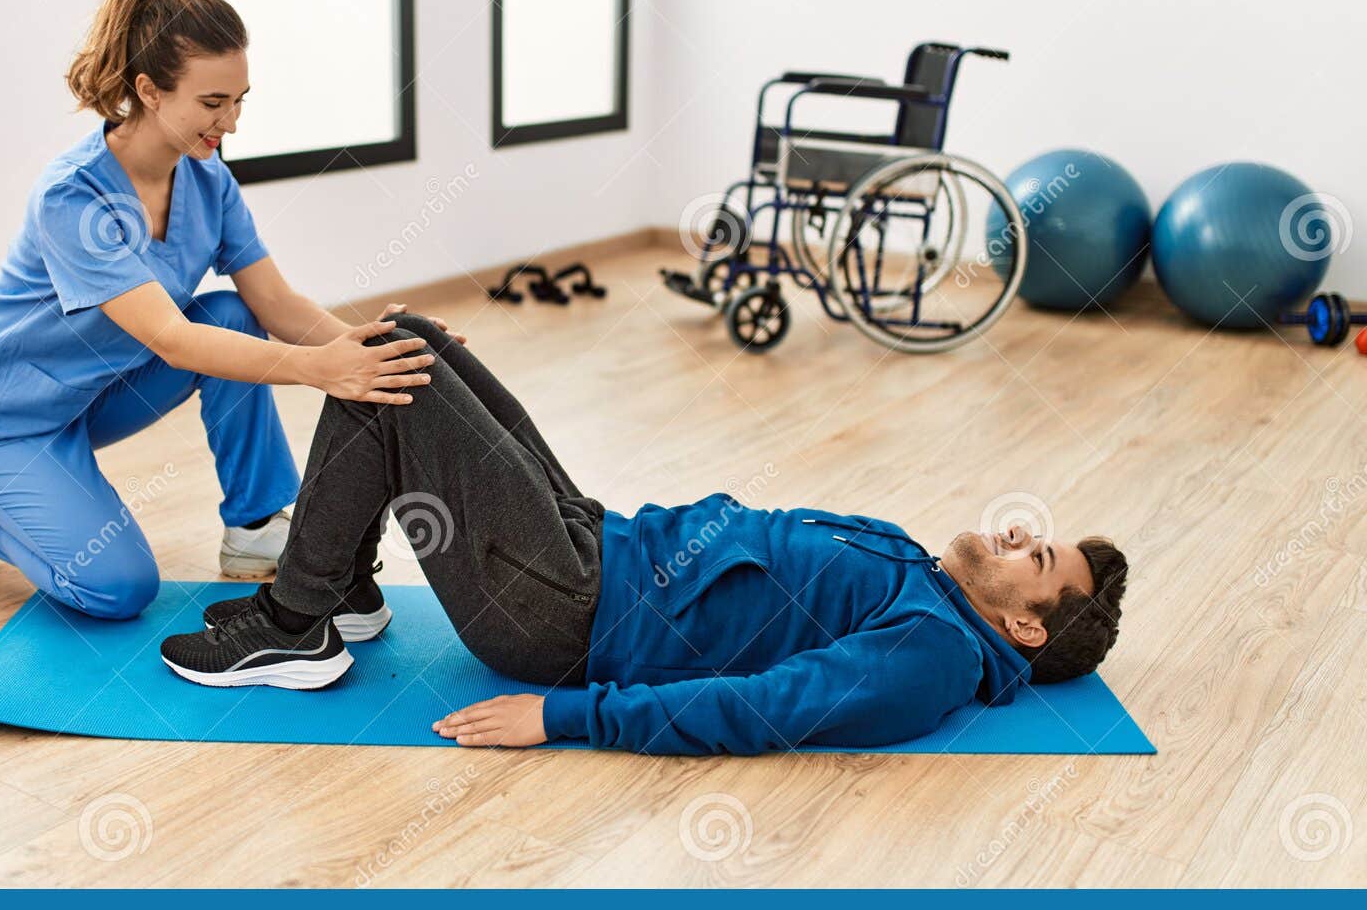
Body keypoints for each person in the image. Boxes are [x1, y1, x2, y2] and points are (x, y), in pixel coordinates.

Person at [159, 313, 1129, 755]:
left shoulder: (932, 653)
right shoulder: (919, 571)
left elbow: (767, 706)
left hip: (565, 615)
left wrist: (566, 717)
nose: (1013, 531)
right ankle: (349, 589)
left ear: (1026, 630)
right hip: (593, 542)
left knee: (383, 377)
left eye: (1031, 556)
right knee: (415, 337)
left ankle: (296, 615)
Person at [0, 0, 456, 619]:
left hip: (88, 398)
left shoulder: (209, 183)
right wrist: (322, 370)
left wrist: (367, 343)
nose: (230, 121)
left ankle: (255, 522)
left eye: (239, 100)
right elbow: (172, 339)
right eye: (212, 103)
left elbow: (275, 304)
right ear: (150, 91)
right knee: (118, 589)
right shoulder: (74, 197)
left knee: (232, 314)